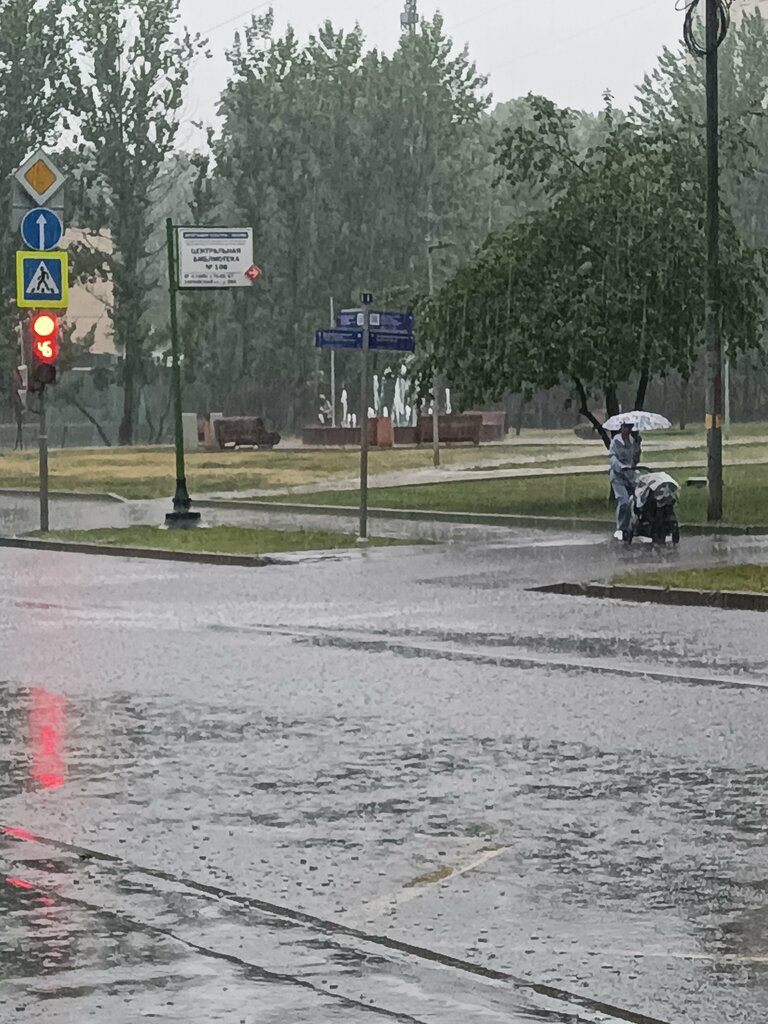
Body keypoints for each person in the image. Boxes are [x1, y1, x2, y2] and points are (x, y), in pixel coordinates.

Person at [609, 421, 641, 541]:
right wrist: (620, 466)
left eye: (629, 428)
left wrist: (638, 446)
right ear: (621, 428)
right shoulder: (616, 441)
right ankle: (620, 528)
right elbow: (612, 457)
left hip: (631, 476)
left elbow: (635, 459)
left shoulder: (633, 441)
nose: (627, 430)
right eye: (625, 427)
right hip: (618, 477)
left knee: (639, 499)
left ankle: (636, 524)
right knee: (624, 501)